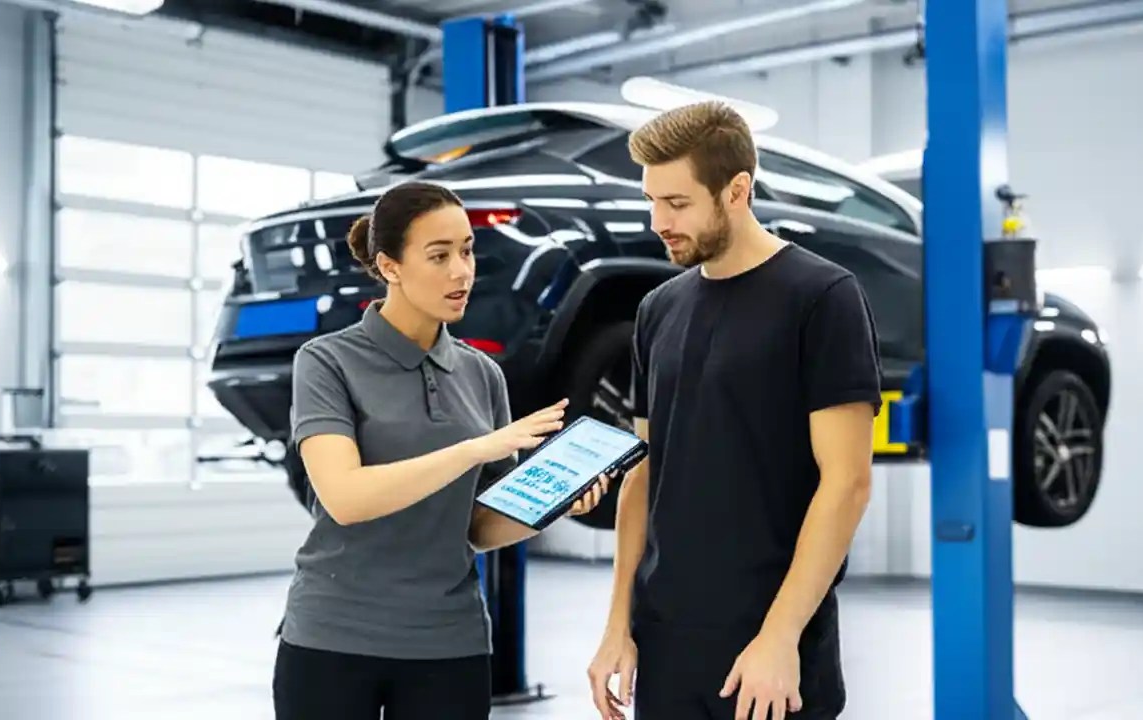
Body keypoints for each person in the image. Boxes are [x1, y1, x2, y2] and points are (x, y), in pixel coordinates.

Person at [586, 101, 883, 720]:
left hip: (770, 649)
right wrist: (619, 624)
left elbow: (847, 483)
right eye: (651, 200)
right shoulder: (657, 309)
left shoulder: (822, 297)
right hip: (667, 645)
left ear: (737, 191)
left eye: (677, 203)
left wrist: (779, 638)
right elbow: (644, 472)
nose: (657, 221)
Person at [272, 180, 610, 720]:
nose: (461, 271)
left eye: (468, 251)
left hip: (449, 645)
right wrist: (474, 449)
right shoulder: (326, 361)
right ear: (390, 267)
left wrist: (551, 505)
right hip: (333, 638)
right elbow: (345, 497)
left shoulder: (482, 373)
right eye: (439, 256)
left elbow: (478, 528)